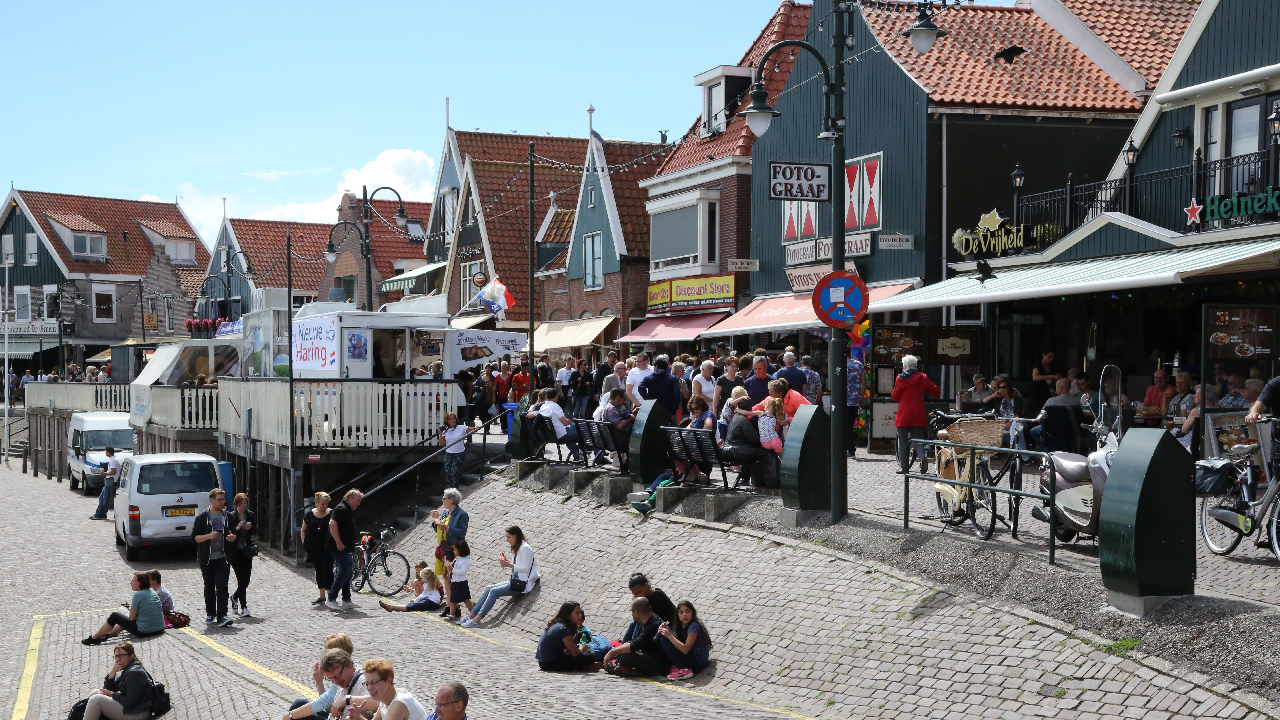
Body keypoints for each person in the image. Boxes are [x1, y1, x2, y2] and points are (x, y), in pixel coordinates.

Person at [460, 525, 538, 628]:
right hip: (515, 580)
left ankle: (477, 619)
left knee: (494, 591)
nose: (507, 540)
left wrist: (509, 564)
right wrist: (506, 561)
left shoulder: (525, 549)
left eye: (509, 537)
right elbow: (517, 565)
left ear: (515, 536)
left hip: (522, 583)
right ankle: (471, 615)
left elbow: (526, 569)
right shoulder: (519, 548)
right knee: (488, 588)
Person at [192, 487, 236, 626]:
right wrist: (209, 536)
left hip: (223, 557)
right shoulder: (202, 517)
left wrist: (232, 537)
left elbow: (234, 534)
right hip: (207, 558)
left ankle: (222, 615)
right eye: (219, 500)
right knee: (209, 586)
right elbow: (195, 538)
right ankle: (210, 613)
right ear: (212, 500)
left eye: (223, 499)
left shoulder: (228, 516)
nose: (222, 502)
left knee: (222, 585)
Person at [286, 646, 368, 720]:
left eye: (337, 676)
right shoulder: (345, 679)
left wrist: (346, 700)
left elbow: (376, 703)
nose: (336, 681)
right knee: (299, 704)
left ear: (349, 663)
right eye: (330, 679)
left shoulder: (364, 682)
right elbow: (327, 706)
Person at [83, 572, 165, 644]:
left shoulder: (138, 595)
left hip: (144, 631)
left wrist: (131, 611)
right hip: (159, 628)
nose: (131, 583)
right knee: (124, 619)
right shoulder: (153, 592)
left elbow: (132, 619)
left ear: (140, 583)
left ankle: (94, 638)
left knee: (115, 616)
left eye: (133, 581)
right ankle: (108, 634)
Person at [890, 355, 940, 473]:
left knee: (902, 442)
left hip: (904, 413)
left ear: (905, 366)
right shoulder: (923, 377)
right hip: (918, 412)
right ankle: (923, 457)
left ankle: (904, 467)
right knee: (918, 439)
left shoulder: (900, 378)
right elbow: (936, 391)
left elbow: (895, 396)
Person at [81, 642, 154, 720]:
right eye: (116, 656)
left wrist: (111, 694)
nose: (118, 659)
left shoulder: (134, 673)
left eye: (122, 655)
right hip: (133, 709)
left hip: (139, 713)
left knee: (96, 700)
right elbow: (108, 689)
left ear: (131, 656)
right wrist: (113, 672)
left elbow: (130, 703)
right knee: (95, 692)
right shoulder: (128, 669)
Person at [603, 597, 671, 677]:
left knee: (626, 657)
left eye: (632, 611)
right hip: (648, 656)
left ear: (637, 612)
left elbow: (635, 644)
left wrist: (612, 652)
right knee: (621, 651)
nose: (632, 614)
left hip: (660, 664)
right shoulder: (642, 622)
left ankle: (630, 670)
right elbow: (632, 641)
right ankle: (623, 667)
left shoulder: (653, 625)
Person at [536, 601, 603, 672]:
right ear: (568, 615)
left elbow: (567, 650)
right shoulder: (564, 629)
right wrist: (582, 648)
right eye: (577, 613)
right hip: (549, 663)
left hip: (543, 661)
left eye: (580, 612)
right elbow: (575, 653)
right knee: (590, 656)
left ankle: (584, 667)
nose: (580, 615)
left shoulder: (557, 624)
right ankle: (586, 668)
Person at [325, 490, 362, 611]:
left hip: (344, 547)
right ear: (350, 498)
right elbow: (332, 524)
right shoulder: (341, 509)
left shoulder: (346, 509)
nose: (359, 503)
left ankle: (346, 599)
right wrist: (338, 542)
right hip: (339, 547)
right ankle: (331, 598)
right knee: (345, 571)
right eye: (357, 501)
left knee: (348, 572)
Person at [658, 600, 712, 679]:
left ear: (692, 613)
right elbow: (678, 640)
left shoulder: (694, 626)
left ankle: (684, 669)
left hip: (698, 662)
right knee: (665, 639)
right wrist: (667, 630)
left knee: (664, 641)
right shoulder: (683, 625)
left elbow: (685, 649)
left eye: (687, 611)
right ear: (678, 614)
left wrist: (669, 636)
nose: (685, 615)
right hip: (693, 657)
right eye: (681, 612)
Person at [526, 388, 584, 461]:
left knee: (574, 431)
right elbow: (565, 422)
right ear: (556, 396)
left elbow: (529, 414)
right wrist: (569, 421)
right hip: (560, 435)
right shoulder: (555, 406)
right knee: (584, 432)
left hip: (551, 435)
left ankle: (577, 456)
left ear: (546, 397)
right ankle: (592, 455)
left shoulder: (543, 406)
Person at [358, 659, 427, 720]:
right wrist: (357, 717)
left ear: (389, 681)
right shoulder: (385, 700)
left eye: (374, 682)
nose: (369, 688)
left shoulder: (399, 703)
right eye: (367, 684)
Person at [227, 492, 257, 618]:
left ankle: (234, 597)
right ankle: (244, 607)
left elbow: (256, 529)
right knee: (241, 579)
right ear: (237, 504)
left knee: (247, 579)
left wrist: (250, 528)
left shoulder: (250, 515)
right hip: (236, 552)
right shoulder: (231, 516)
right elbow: (229, 532)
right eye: (242, 504)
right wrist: (238, 529)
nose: (244, 506)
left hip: (247, 551)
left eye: (245, 503)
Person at [1029, 378, 1081, 448]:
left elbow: (1041, 417)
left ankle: (1047, 448)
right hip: (1071, 431)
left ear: (1060, 388)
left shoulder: (1051, 402)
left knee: (1033, 431)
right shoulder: (1076, 402)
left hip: (1052, 431)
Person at [302, 492, 333, 606]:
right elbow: (303, 529)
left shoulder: (331, 514)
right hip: (314, 549)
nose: (325, 506)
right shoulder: (310, 514)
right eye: (322, 504)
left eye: (326, 504)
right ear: (316, 503)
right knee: (319, 571)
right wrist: (304, 542)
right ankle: (322, 596)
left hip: (327, 548)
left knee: (327, 571)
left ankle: (331, 596)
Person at [380, 563, 445, 613]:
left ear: (427, 577)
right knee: (417, 605)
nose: (422, 579)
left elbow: (422, 596)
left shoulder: (428, 585)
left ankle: (392, 607)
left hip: (432, 603)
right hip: (436, 602)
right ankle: (394, 607)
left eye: (423, 578)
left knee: (413, 606)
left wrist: (415, 601)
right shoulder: (438, 582)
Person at [603, 389, 638, 470]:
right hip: (617, 441)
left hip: (614, 439)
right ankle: (630, 467)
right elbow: (619, 425)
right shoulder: (612, 409)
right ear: (618, 397)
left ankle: (627, 466)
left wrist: (633, 412)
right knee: (639, 442)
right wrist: (630, 418)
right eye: (624, 398)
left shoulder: (609, 407)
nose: (624, 401)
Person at [444, 539, 474, 621]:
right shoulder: (457, 559)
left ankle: (473, 612)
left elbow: (462, 572)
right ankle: (452, 614)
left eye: (455, 549)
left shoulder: (465, 561)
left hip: (461, 582)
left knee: (466, 599)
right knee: (453, 599)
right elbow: (452, 566)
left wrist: (452, 570)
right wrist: (446, 563)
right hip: (455, 582)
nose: (454, 551)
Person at [91, 445, 122, 520]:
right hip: (110, 480)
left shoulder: (113, 460)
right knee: (102, 497)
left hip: (111, 481)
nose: (105, 453)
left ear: (109, 452)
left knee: (105, 498)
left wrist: (104, 473)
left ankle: (100, 514)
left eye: (106, 451)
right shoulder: (114, 459)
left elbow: (113, 472)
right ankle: (100, 514)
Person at [1172, 385, 1204, 452]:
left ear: (1205, 395)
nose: (1194, 396)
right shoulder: (1216, 409)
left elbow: (1184, 430)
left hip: (1192, 442)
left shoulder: (1196, 410)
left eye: (1196, 394)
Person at [1029, 349, 1060, 413]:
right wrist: (1051, 376)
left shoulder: (1052, 367)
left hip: (1047, 394)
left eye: (1052, 357)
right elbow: (1035, 377)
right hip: (1036, 394)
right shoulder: (1038, 365)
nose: (1051, 359)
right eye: (1049, 357)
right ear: (1043, 355)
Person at [439, 414, 467, 487]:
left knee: (454, 472)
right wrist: (441, 434)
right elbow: (442, 443)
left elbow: (472, 429)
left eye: (454, 418)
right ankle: (449, 488)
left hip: (459, 453)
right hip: (448, 453)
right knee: (448, 472)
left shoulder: (461, 427)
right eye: (450, 419)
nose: (453, 420)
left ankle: (454, 489)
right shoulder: (445, 430)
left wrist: (476, 427)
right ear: (447, 421)